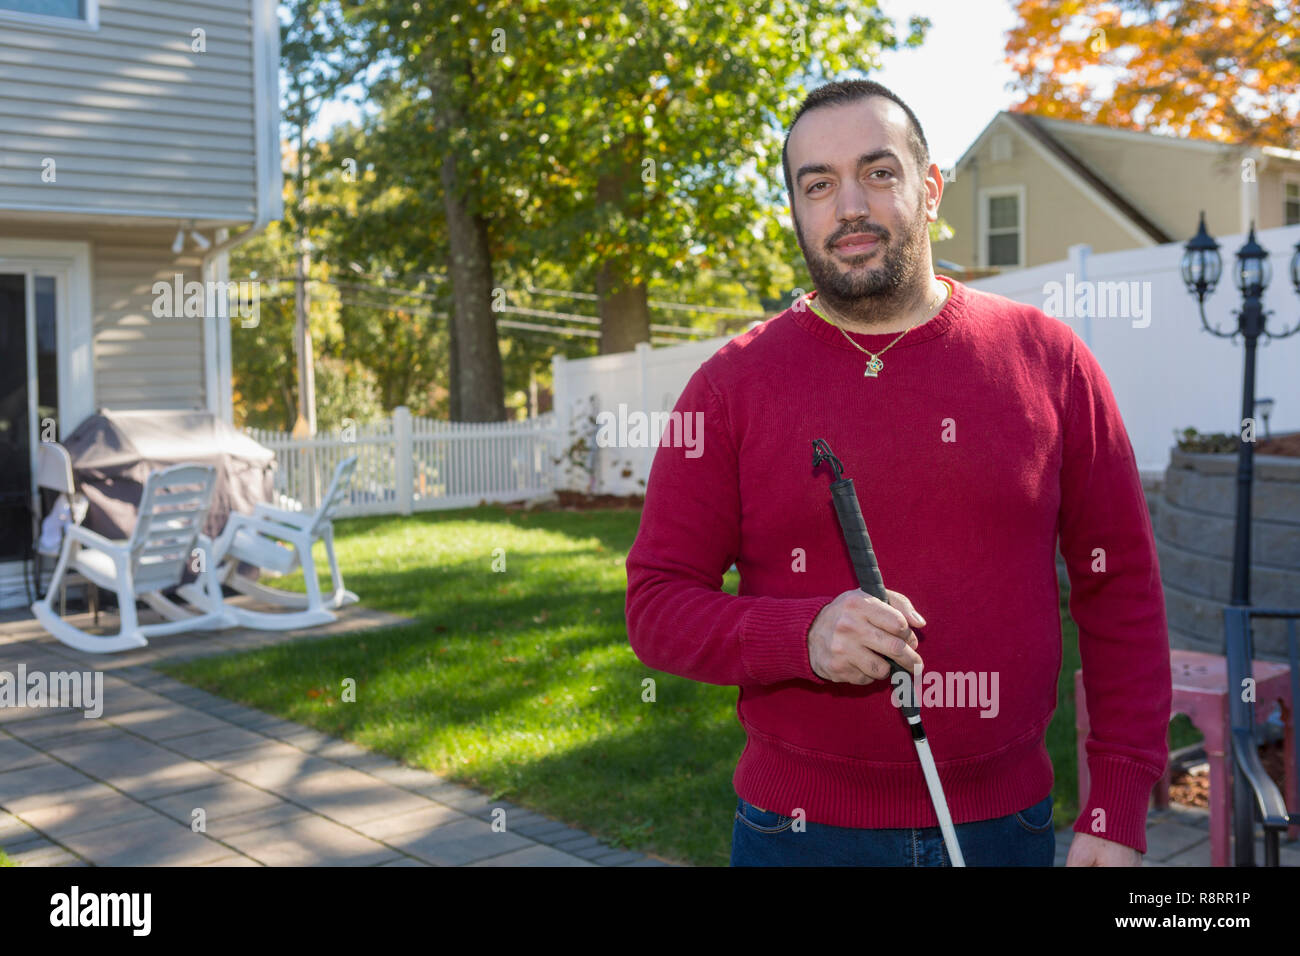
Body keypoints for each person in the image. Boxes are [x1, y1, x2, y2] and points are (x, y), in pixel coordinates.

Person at [623, 79, 1172, 867]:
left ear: (930, 187)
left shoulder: (1050, 362)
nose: (849, 205)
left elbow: (1120, 587)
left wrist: (1116, 805)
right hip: (796, 835)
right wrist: (801, 635)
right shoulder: (729, 386)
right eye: (818, 184)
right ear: (796, 210)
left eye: (878, 173)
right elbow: (655, 605)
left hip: (1005, 828)